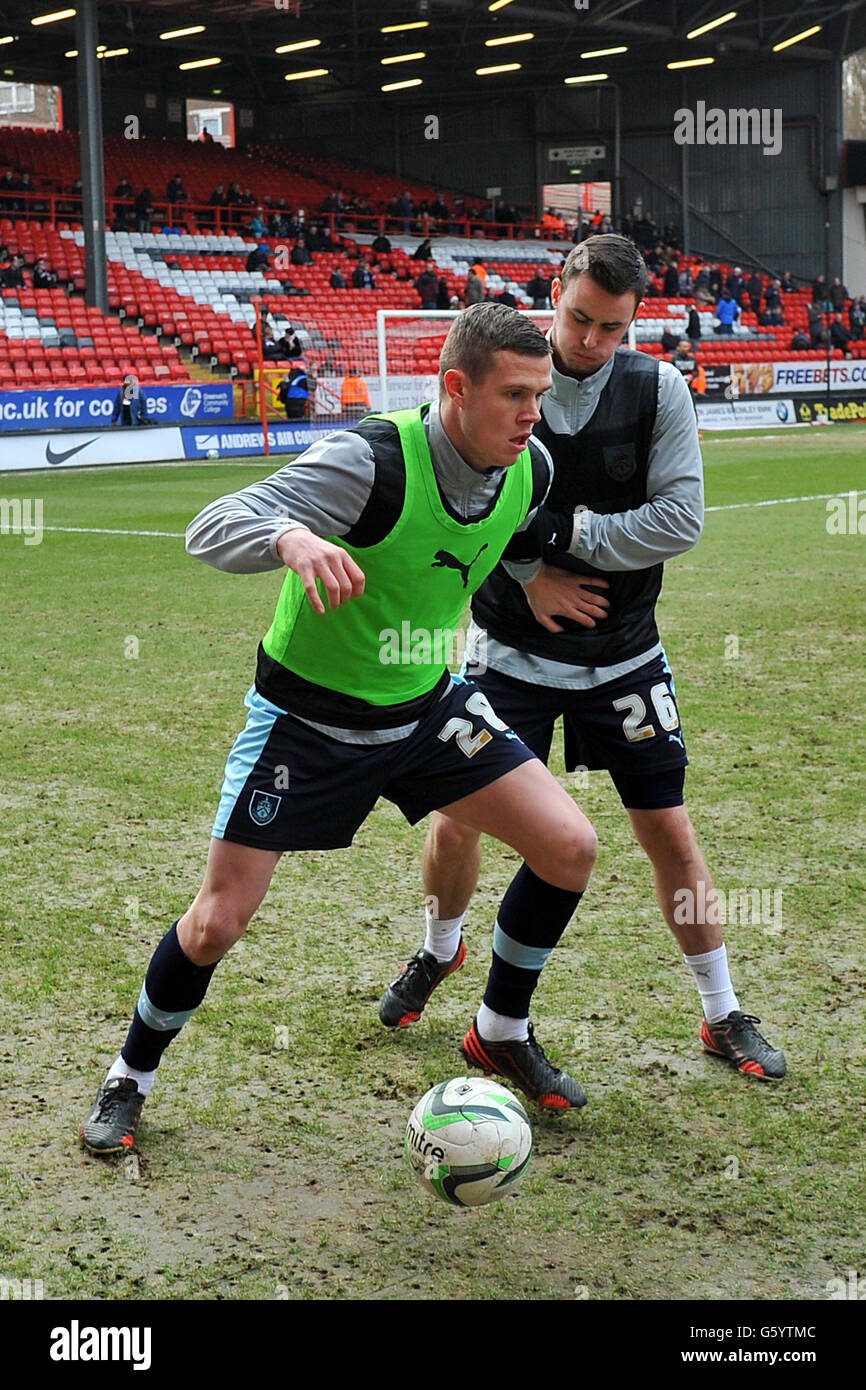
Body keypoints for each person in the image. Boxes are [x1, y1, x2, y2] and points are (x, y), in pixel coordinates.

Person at [79, 303, 600, 1154]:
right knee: (217, 922)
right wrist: (288, 537)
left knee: (569, 846)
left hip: (428, 708)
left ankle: (500, 1029)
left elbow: (508, 537)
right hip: (308, 720)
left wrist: (536, 578)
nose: (532, 413)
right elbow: (208, 526)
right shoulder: (369, 462)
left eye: (539, 394)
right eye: (513, 394)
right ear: (455, 389)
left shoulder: (531, 467)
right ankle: (127, 1078)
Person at [378, 235, 786, 1087]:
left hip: (625, 653)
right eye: (579, 319)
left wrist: (568, 541)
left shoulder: (657, 388)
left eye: (612, 327)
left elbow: (679, 521)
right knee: (460, 822)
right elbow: (459, 500)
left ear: (634, 320)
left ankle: (721, 1011)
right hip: (508, 647)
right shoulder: (502, 368)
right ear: (555, 291)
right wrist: (529, 576)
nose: (591, 342)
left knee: (669, 833)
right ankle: (438, 950)